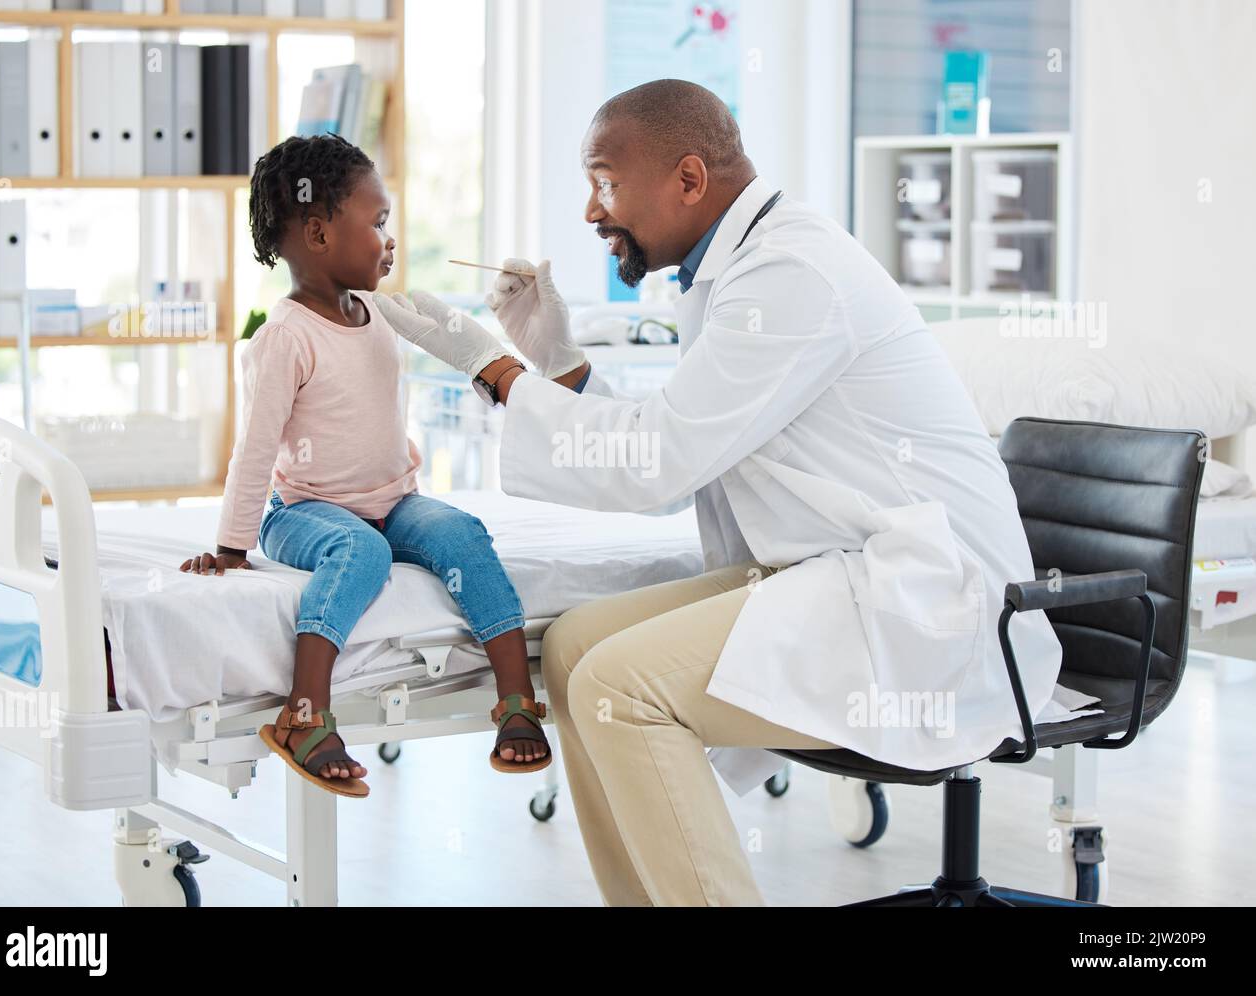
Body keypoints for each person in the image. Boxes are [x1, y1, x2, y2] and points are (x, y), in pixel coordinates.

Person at [415, 79, 1067, 905]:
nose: (590, 211)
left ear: (689, 179)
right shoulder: (730, 272)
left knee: (622, 687)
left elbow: (656, 461)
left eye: (606, 181)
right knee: (576, 647)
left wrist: (497, 371)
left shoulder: (789, 273)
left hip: (928, 602)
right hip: (842, 569)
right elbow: (680, 454)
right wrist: (559, 364)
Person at [178, 134, 568, 797]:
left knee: (462, 535)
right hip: (305, 513)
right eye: (378, 221)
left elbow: (462, 347)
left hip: (394, 498)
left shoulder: (381, 311)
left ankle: (515, 702)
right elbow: (255, 450)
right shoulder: (286, 337)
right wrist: (231, 546)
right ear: (319, 234)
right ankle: (303, 714)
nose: (391, 239)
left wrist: (518, 334)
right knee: (361, 554)